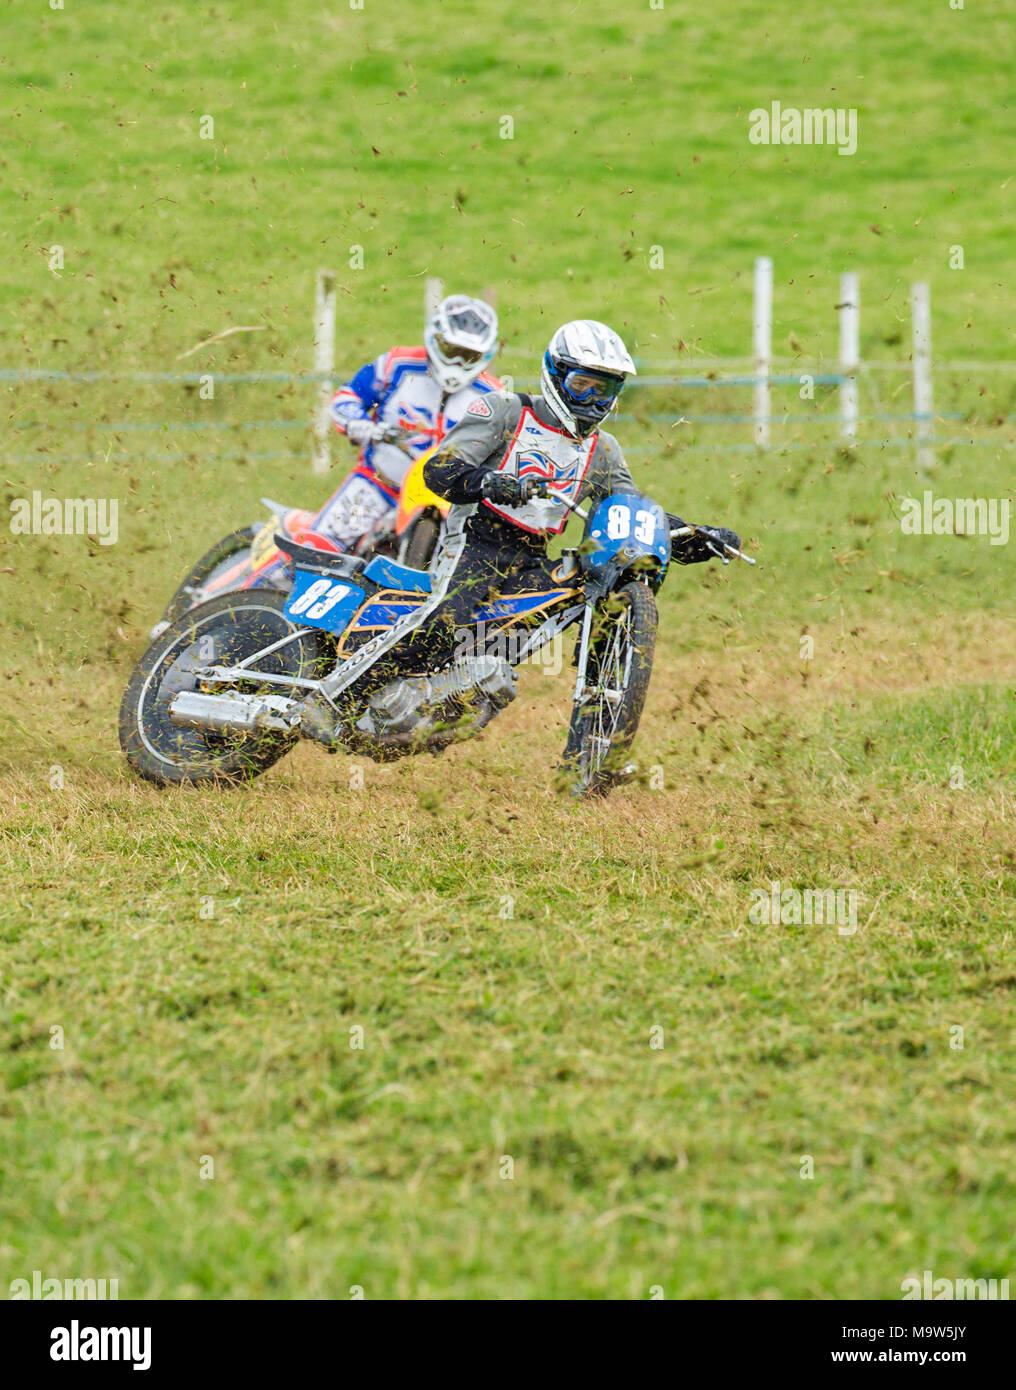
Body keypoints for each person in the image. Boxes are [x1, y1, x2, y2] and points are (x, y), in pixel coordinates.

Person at [388, 319, 741, 665]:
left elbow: (629, 516)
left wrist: (696, 537)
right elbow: (440, 469)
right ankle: (352, 687)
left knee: (507, 647)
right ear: (556, 375)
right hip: (475, 545)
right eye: (581, 385)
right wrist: (492, 482)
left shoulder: (604, 450)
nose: (590, 399)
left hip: (531, 558)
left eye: (603, 391)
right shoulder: (507, 411)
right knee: (440, 626)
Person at [314, 294, 501, 551]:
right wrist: (357, 421)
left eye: (468, 355)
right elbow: (349, 395)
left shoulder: (494, 396)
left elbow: (507, 445)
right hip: (380, 485)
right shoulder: (397, 364)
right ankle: (267, 584)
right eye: (451, 350)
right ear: (435, 340)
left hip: (449, 502)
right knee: (320, 548)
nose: (458, 361)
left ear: (485, 354)